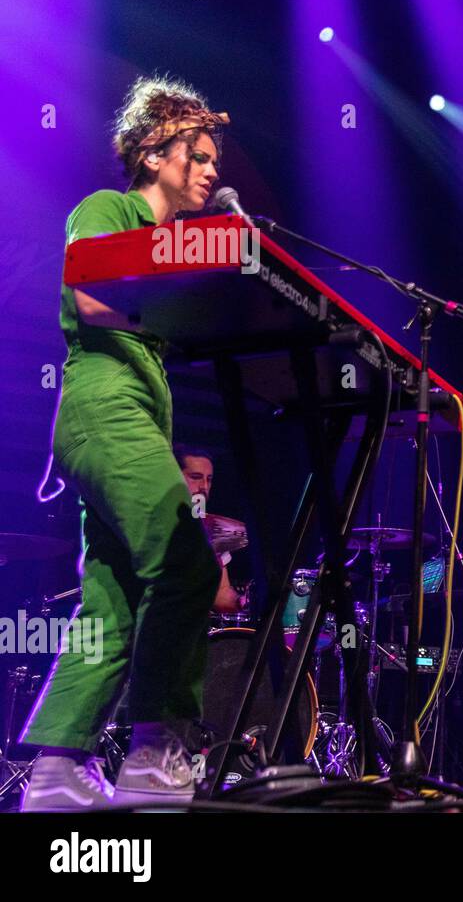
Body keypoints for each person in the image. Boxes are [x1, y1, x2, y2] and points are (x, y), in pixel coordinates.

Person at [21, 76, 228, 810]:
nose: (211, 170)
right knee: (187, 563)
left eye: (215, 159)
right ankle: (158, 747)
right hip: (102, 413)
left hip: (130, 419)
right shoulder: (108, 210)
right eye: (196, 154)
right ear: (151, 152)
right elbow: (90, 295)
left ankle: (55, 773)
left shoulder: (170, 245)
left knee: (110, 599)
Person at [174, 444, 245, 615]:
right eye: (196, 477)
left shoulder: (213, 530)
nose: (204, 486)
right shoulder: (152, 520)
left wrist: (243, 601)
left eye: (209, 479)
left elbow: (220, 593)